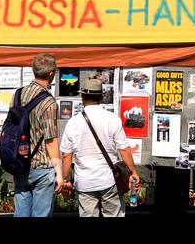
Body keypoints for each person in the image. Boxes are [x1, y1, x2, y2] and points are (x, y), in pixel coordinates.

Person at [59, 75, 140, 217]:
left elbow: (66, 155)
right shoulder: (112, 119)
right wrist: (133, 172)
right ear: (102, 97)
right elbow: (124, 149)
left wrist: (65, 180)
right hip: (109, 180)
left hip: (85, 182)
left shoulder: (73, 122)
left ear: (82, 97)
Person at [11, 53, 62, 217]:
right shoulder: (48, 102)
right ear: (51, 74)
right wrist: (59, 174)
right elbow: (51, 141)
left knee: (21, 214)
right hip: (42, 166)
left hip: (20, 163)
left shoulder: (18, 95)